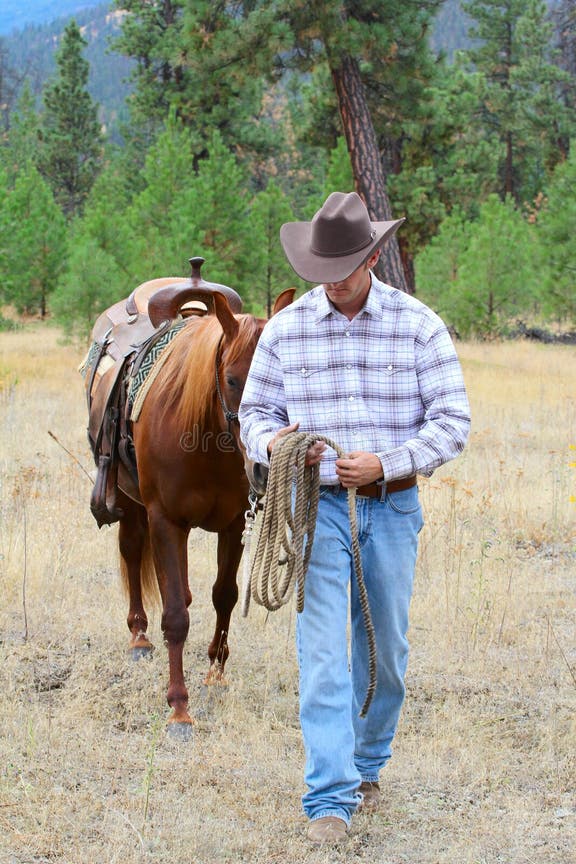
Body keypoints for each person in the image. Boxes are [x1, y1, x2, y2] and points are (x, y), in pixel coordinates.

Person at [239, 191, 470, 844]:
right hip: (312, 509)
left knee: (385, 654)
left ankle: (368, 764)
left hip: (391, 507)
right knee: (322, 655)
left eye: (342, 266)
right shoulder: (287, 329)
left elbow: (454, 422)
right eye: (322, 268)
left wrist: (390, 462)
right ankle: (330, 798)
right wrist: (283, 445)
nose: (330, 280)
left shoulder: (418, 325)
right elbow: (252, 417)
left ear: (371, 256)